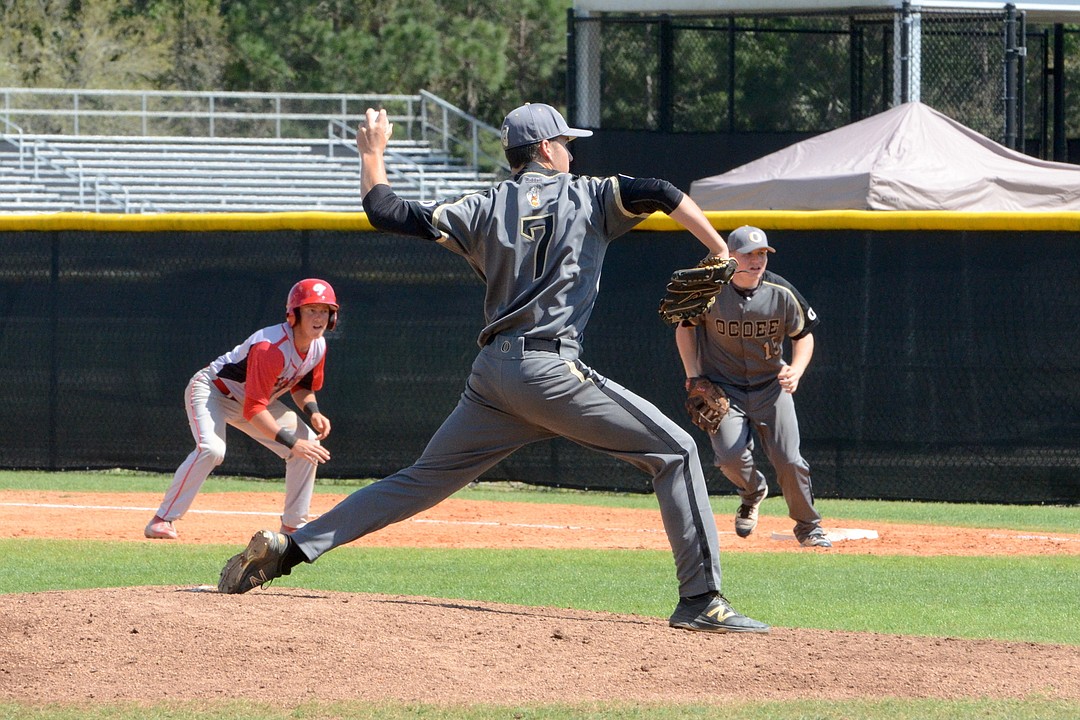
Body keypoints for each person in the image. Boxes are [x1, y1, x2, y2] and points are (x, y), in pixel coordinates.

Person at [218, 103, 769, 634]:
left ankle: (291, 549)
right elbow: (663, 191)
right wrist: (720, 252)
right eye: (567, 145)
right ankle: (702, 599)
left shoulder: (481, 206)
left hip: (493, 377)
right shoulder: (591, 194)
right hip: (550, 369)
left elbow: (385, 211)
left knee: (420, 481)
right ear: (547, 148)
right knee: (674, 451)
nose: (572, 156)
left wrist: (373, 154)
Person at [144, 279, 337, 540]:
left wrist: (313, 411)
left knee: (309, 445)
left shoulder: (318, 346)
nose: (319, 317)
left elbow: (301, 386)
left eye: (324, 310)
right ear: (295, 313)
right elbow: (254, 410)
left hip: (251, 400)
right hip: (213, 390)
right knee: (212, 449)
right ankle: (161, 520)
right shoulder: (271, 347)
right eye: (311, 309)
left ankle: (293, 527)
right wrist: (292, 443)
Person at [675, 226, 830, 548]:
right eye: (748, 253)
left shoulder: (781, 291)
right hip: (723, 388)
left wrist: (797, 370)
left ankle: (809, 528)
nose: (756, 260)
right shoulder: (710, 290)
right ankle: (752, 491)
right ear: (730, 255)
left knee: (789, 461)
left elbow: (804, 335)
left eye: (761, 254)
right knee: (729, 457)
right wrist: (693, 375)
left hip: (771, 388)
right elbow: (684, 327)